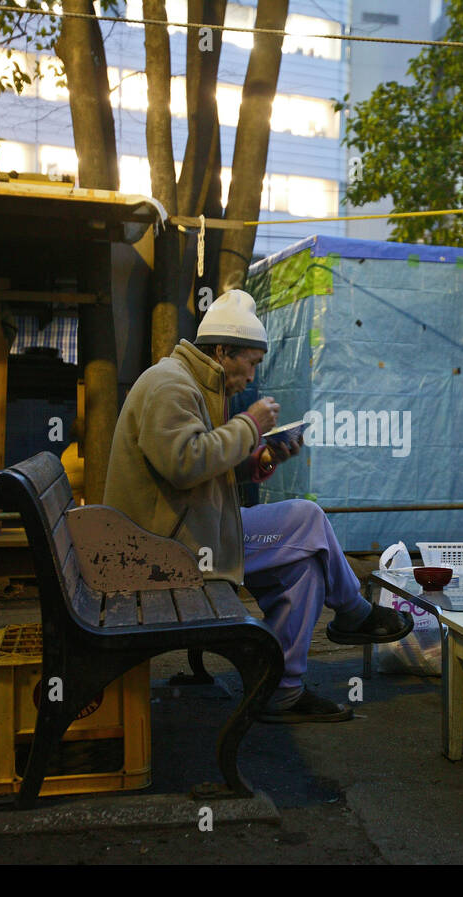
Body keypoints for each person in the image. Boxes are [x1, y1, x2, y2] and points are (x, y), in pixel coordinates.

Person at [103, 290, 412, 724]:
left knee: (302, 570)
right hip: (168, 551)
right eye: (250, 363)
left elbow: (204, 469)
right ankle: (354, 612)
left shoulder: (191, 384)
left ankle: (281, 691)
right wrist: (249, 425)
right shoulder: (170, 383)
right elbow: (185, 464)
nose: (251, 377)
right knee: (308, 517)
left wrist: (262, 459)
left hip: (191, 533)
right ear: (224, 351)